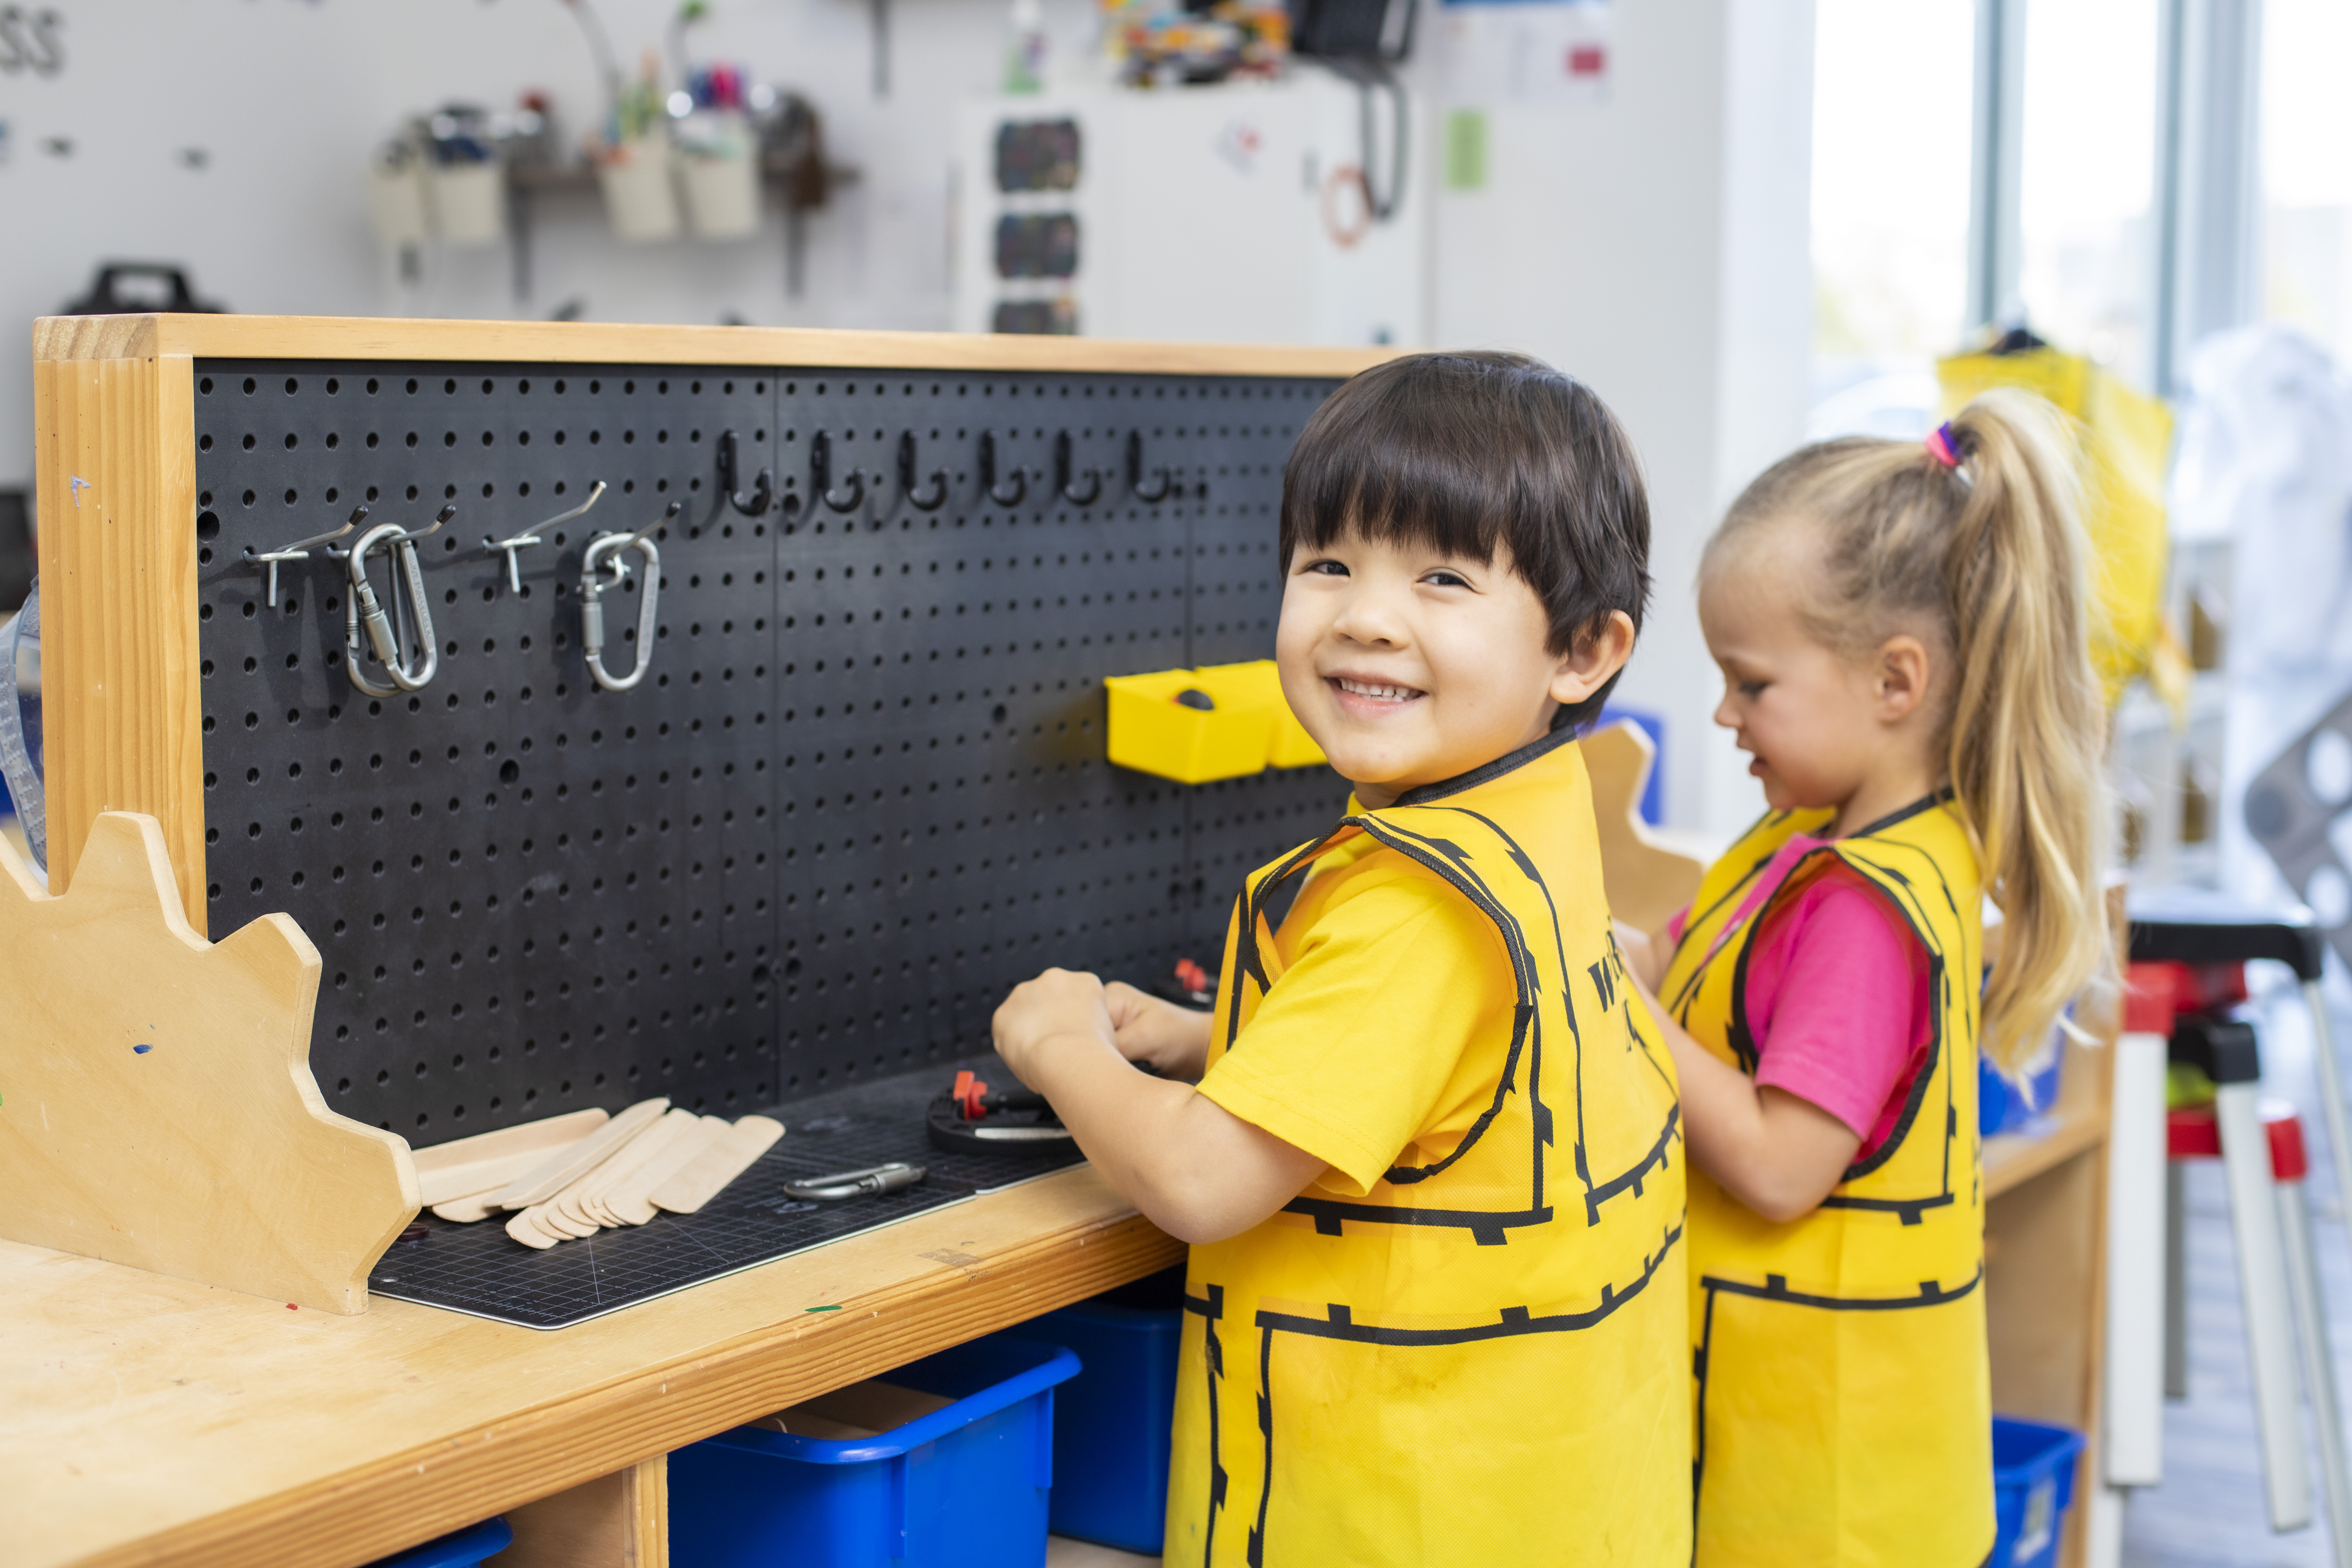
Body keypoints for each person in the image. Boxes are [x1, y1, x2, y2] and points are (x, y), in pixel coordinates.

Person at [992, 351, 1690, 1566]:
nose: (1367, 614)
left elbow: (1204, 1182)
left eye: (1442, 576)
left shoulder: (1413, 905)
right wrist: (1214, 1040)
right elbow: (1471, 1063)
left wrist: (1062, 1050)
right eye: (1329, 564)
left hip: (1398, 1523)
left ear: (1582, 651)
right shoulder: (1530, 815)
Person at [1617, 393, 2113, 1566]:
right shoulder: (1811, 845)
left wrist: (1624, 1016)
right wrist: (1611, 960)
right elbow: (1687, 979)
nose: (1724, 714)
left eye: (1753, 684)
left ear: (1897, 681)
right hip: (1772, 1452)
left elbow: (1784, 1167)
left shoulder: (1863, 912)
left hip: (1825, 1502)